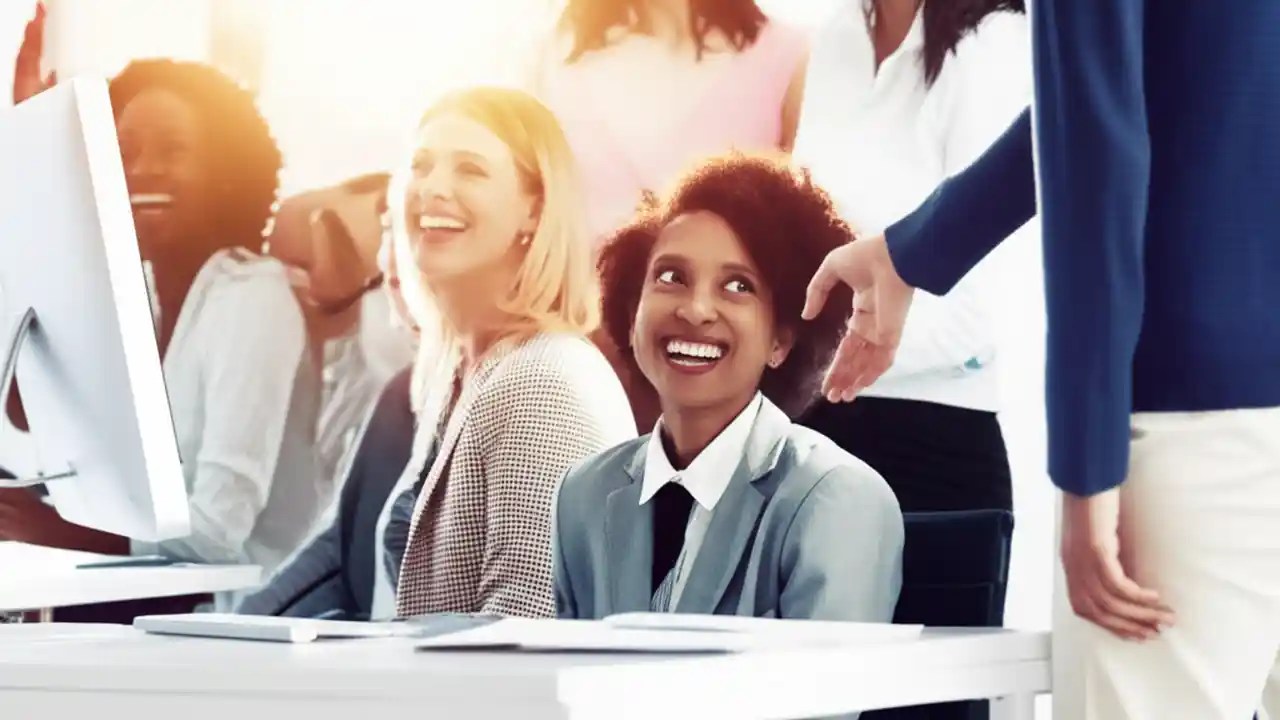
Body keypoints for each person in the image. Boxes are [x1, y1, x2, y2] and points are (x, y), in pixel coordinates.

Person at [803, 2, 1280, 717]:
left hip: (1196, 412)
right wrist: (917, 249)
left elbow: (1098, 135)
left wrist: (1090, 467)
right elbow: (1140, 88)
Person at [0, 56, 324, 598]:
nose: (142, 170)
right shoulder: (142, 297)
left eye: (174, 150)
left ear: (224, 173)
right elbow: (25, 414)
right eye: (122, 154)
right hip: (158, 606)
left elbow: (219, 532)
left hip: (247, 619)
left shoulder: (252, 296)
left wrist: (55, 530)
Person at [554, 154, 903, 621]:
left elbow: (826, 693)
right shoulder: (584, 494)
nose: (696, 310)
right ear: (631, 310)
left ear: (781, 340)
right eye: (671, 277)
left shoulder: (836, 498)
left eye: (738, 286)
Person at [388, 87, 636, 619]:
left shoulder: (540, 379)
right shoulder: (454, 367)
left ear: (535, 210)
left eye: (470, 170)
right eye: (421, 166)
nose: (432, 188)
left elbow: (522, 631)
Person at [789, 0, 1030, 516]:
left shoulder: (996, 45)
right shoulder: (838, 34)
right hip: (812, 438)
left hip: (931, 448)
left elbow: (980, 317)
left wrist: (800, 340)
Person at [528, 0, 809, 430]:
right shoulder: (552, 54)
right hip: (578, 359)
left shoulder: (786, 56)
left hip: (712, 362)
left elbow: (797, 232)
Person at [238, 214, 421, 620]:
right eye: (391, 229)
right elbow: (334, 548)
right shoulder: (399, 397)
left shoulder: (527, 384)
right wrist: (234, 632)